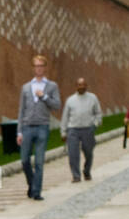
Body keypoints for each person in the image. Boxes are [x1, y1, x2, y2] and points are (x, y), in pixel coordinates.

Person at [17, 54, 61, 199]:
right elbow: (21, 110)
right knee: (24, 160)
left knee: (39, 161)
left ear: (45, 68)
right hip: (27, 127)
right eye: (36, 66)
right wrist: (19, 131)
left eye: (41, 66)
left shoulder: (52, 86)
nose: (39, 69)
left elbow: (57, 105)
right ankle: (32, 184)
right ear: (33, 68)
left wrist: (44, 96)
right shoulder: (26, 87)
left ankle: (36, 192)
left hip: (43, 126)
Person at [60, 77, 102, 181]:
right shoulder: (70, 100)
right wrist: (63, 132)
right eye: (79, 85)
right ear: (76, 86)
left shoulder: (93, 98)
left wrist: (95, 124)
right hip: (73, 129)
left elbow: (98, 113)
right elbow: (65, 117)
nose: (81, 87)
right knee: (73, 153)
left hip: (88, 129)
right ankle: (76, 175)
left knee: (88, 152)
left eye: (83, 85)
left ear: (86, 86)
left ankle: (87, 171)